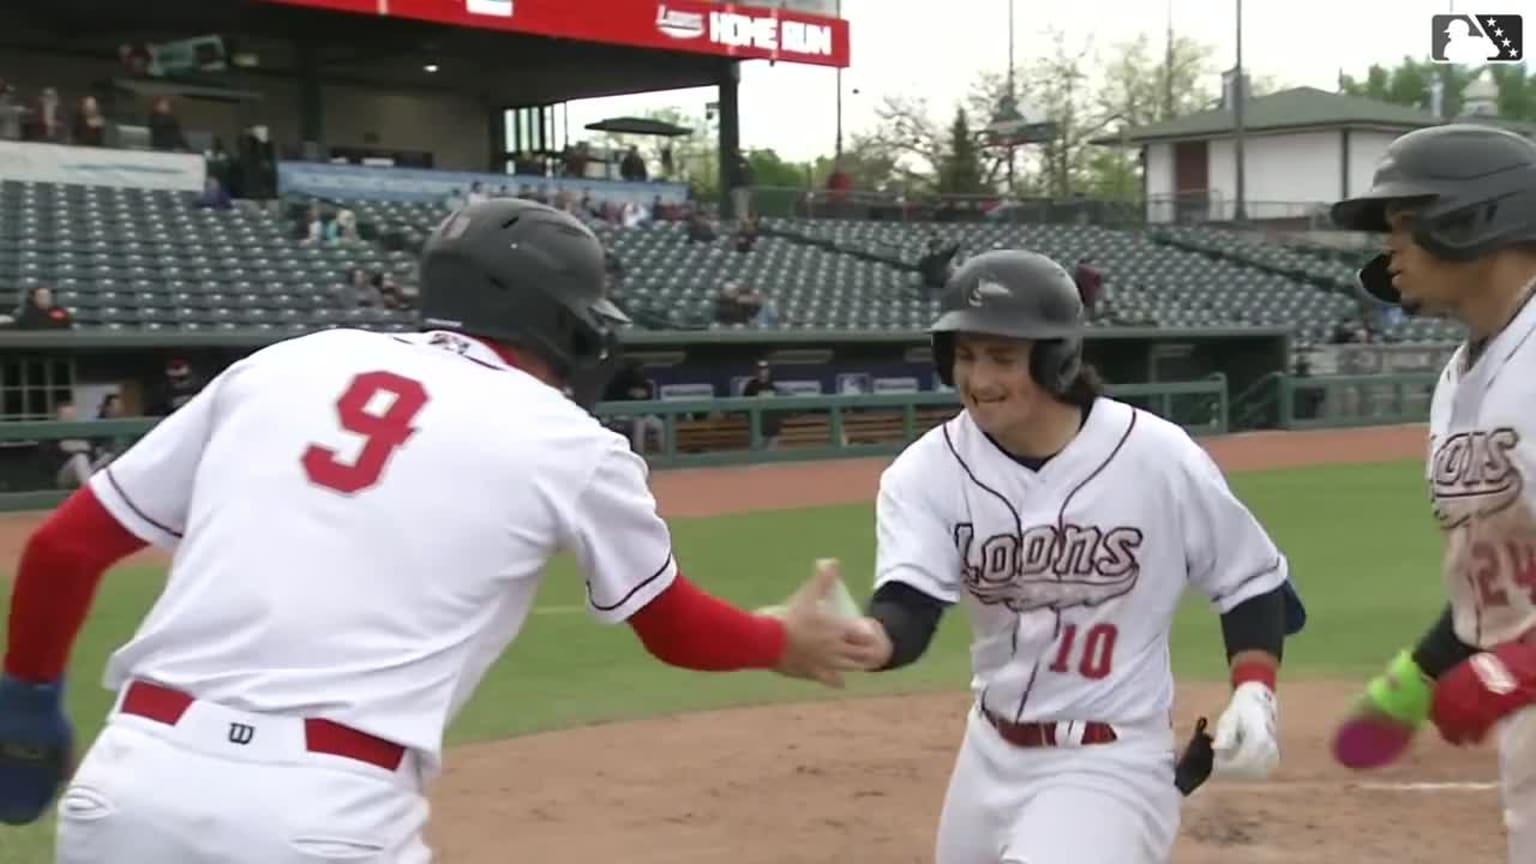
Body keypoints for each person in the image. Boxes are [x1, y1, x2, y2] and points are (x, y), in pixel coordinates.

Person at [0, 198, 878, 861]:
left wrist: (27, 707)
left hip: (131, 783)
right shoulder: (569, 441)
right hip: (324, 810)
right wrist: (778, 640)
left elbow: (63, 547)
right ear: (560, 321)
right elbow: (672, 627)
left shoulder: (285, 363)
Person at [838, 249, 1308, 864]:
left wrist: (1255, 692)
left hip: (1112, 758)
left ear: (1055, 357)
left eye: (1003, 358)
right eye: (966, 355)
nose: (979, 379)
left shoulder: (1155, 457)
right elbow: (911, 602)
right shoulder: (925, 472)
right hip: (987, 754)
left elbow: (1250, 581)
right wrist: (874, 637)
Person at [1327, 123, 1536, 864]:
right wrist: (1418, 676)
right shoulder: (1461, 374)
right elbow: (1506, 575)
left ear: (1478, 219)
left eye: (1407, 223)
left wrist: (1518, 667)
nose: (1390, 248)